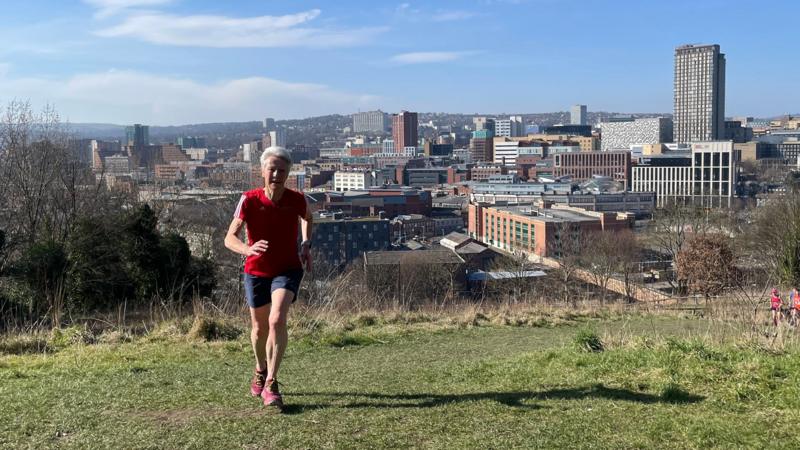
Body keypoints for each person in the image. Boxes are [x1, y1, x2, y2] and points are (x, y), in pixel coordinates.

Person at [224, 146, 313, 411]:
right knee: (259, 328)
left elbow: (308, 218)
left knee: (277, 320)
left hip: (287, 268)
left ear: (288, 173)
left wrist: (306, 243)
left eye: (282, 170)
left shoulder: (297, 199)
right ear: (262, 171)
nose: (276, 174)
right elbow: (229, 238)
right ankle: (260, 369)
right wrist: (247, 249)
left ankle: (272, 383)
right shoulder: (249, 200)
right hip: (256, 270)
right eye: (272, 169)